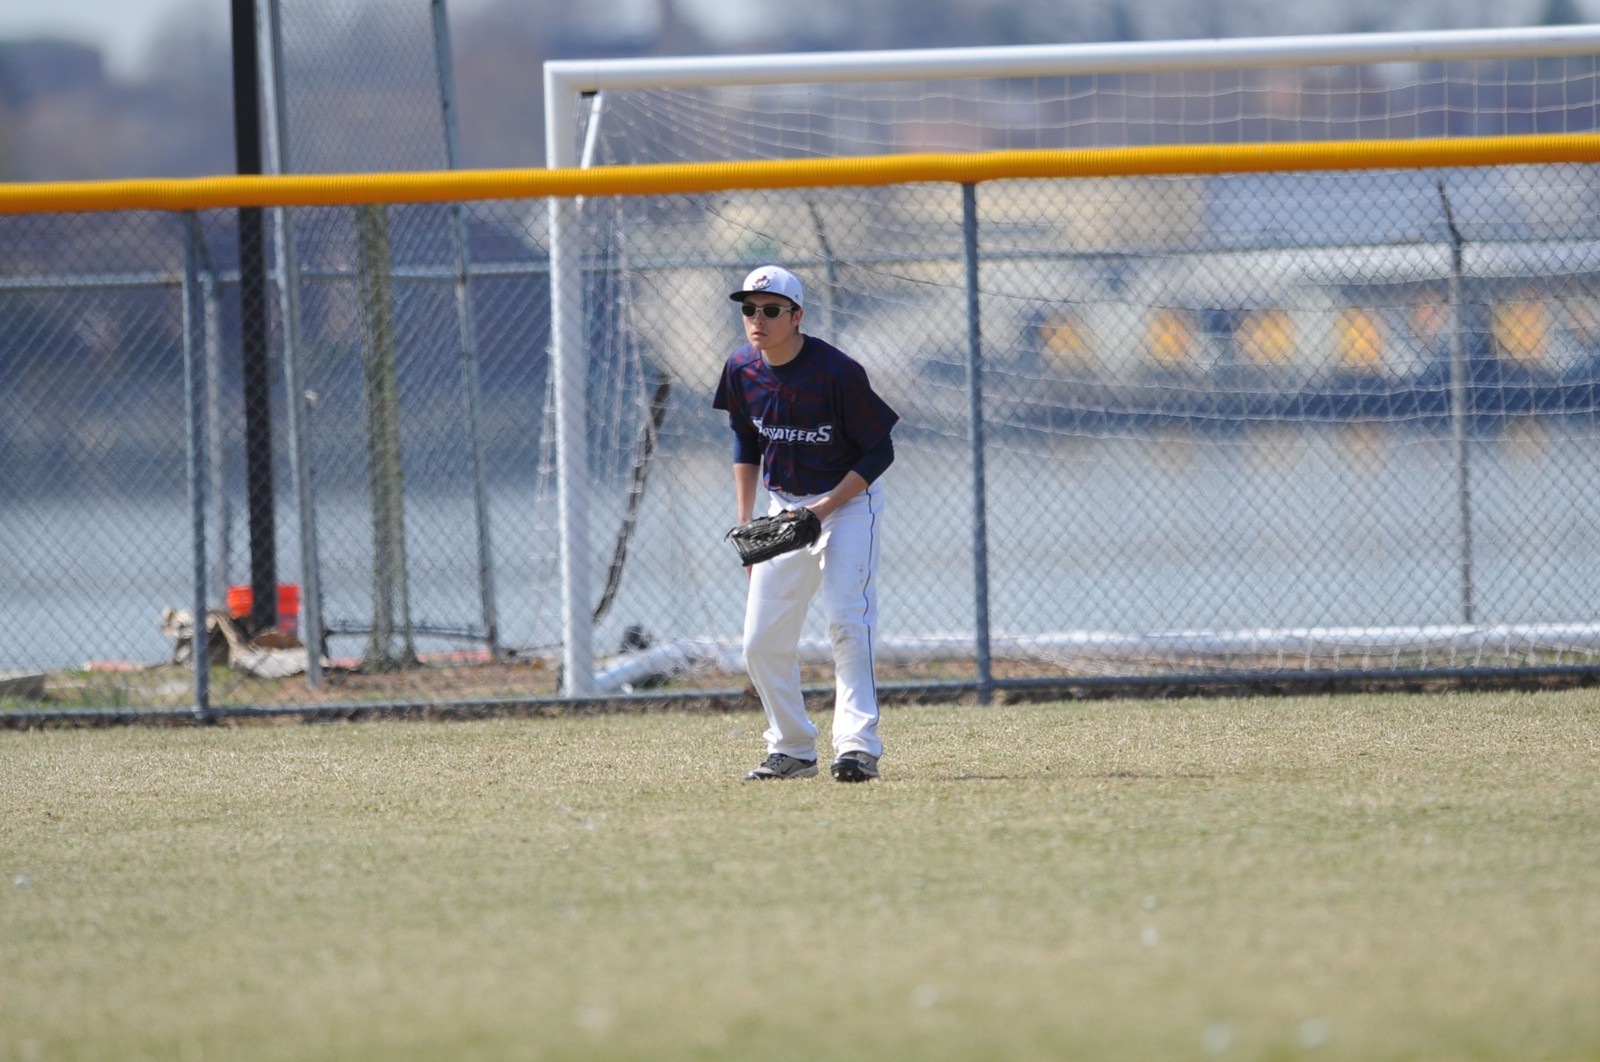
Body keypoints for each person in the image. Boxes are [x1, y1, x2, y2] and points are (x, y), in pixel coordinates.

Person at [712, 265, 900, 783]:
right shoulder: (741, 369)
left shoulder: (836, 372)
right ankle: (792, 748)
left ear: (796, 316)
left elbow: (879, 450)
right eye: (749, 308)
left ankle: (857, 748)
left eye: (771, 309)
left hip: (847, 504)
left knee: (847, 620)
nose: (758, 318)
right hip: (783, 509)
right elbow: (745, 440)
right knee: (760, 639)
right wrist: (747, 521)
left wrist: (824, 508)